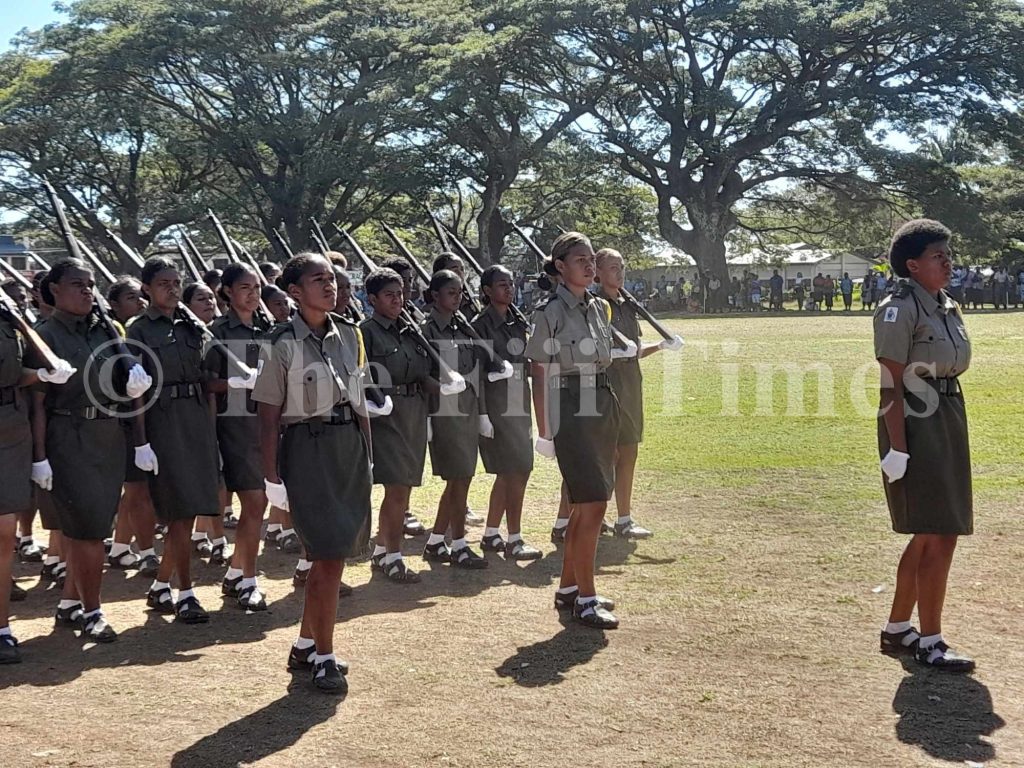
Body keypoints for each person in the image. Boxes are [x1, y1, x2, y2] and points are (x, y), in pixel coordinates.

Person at [253, 252, 375, 693]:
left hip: (348, 447)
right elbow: (267, 415)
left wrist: (369, 453)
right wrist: (271, 477)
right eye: (317, 279)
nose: (330, 286)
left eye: (332, 279)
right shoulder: (280, 342)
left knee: (334, 555)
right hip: (308, 448)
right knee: (326, 557)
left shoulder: (350, 334)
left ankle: (306, 644)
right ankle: (324, 656)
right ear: (294, 291)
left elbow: (358, 400)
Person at [32, 258, 152, 643]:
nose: (86, 291)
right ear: (54, 289)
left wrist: (133, 380)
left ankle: (70, 602)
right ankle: (92, 610)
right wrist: (39, 456)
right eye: (76, 284)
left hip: (108, 435)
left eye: (90, 284)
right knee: (87, 531)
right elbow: (36, 402)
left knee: (95, 523)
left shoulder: (105, 330)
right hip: (69, 435)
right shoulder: (44, 335)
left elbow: (122, 380)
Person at [874, 219, 974, 673]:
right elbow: (890, 386)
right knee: (938, 530)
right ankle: (930, 640)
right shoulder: (899, 308)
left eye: (948, 254)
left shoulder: (945, 305)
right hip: (916, 416)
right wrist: (896, 448)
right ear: (913, 265)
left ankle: (899, 627)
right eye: (938, 256)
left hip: (949, 412)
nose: (948, 262)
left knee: (936, 528)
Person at [526, 232, 620, 629]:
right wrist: (545, 430)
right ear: (560, 266)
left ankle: (568, 588)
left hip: (601, 401)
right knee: (593, 503)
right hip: (571, 406)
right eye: (580, 259)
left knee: (589, 505)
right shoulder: (549, 313)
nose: (589, 265)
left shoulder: (598, 307)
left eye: (591, 260)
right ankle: (586, 596)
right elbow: (539, 370)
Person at [129, 257, 221, 624]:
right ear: (147, 289)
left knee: (192, 510)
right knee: (179, 513)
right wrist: (141, 441)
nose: (172, 288)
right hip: (163, 421)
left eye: (176, 281)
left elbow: (207, 378)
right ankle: (186, 593)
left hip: (196, 420)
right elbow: (135, 391)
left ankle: (161, 585)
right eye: (163, 282)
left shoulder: (192, 326)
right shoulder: (138, 330)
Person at [0, 291, 74, 662]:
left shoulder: (8, 319)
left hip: (9, 429)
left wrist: (41, 373)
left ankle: (1, 629)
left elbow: (13, 375)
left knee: (2, 534)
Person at [594, 248, 683, 542]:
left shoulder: (628, 305)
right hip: (607, 387)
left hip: (631, 385)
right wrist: (618, 354)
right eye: (612, 267)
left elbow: (635, 351)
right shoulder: (595, 305)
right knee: (606, 455)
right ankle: (587, 517)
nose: (619, 273)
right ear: (597, 272)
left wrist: (659, 346)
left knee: (629, 451)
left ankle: (624, 518)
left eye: (622, 267)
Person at [361, 268, 436, 582]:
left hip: (414, 412)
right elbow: (360, 375)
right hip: (385, 415)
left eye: (401, 293)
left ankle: (381, 550)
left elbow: (422, 370)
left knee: (404, 488)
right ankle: (393, 555)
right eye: (390, 294)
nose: (398, 299)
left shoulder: (409, 330)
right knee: (396, 488)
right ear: (372, 299)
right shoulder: (365, 332)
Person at [204, 263, 271, 610]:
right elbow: (205, 382)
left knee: (261, 503)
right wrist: (232, 383)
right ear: (228, 291)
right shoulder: (216, 332)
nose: (253, 294)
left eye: (257, 287)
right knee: (255, 502)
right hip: (235, 427)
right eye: (245, 287)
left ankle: (234, 572)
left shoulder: (269, 328)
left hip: (266, 425)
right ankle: (248, 580)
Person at [420, 270, 490, 569]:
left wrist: (483, 412)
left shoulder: (463, 326)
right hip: (444, 411)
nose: (458, 297)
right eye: (451, 292)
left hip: (468, 408)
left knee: (463, 478)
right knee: (458, 477)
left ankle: (437, 540)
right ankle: (459, 543)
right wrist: (426, 418)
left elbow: (475, 372)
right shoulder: (425, 329)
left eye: (460, 292)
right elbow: (421, 373)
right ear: (434, 295)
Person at [473, 265, 541, 560]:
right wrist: (482, 414)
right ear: (487, 291)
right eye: (502, 284)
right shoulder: (478, 325)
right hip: (497, 405)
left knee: (512, 471)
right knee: (517, 469)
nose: (509, 289)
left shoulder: (517, 319)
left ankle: (491, 534)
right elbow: (475, 372)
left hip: (518, 402)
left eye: (511, 283)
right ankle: (514, 538)